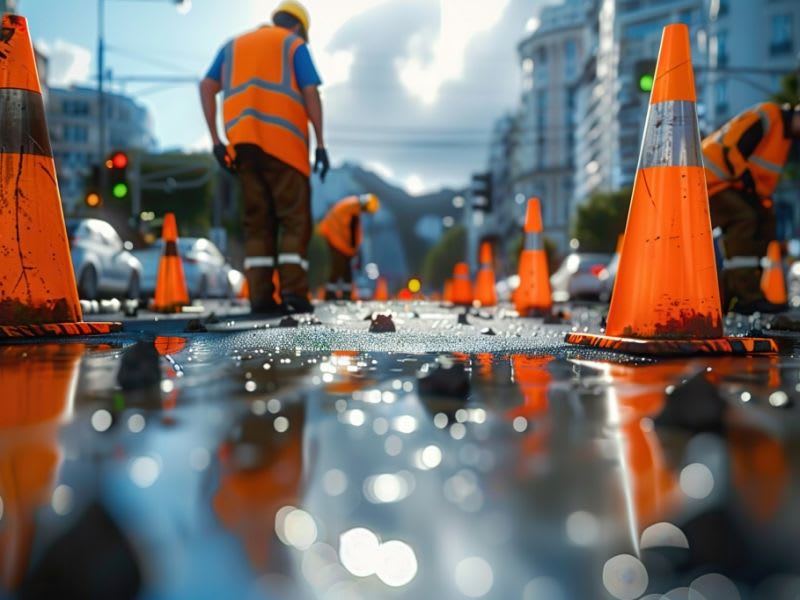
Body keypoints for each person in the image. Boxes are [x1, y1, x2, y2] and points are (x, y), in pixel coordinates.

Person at [199, 0, 329, 315]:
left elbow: (206, 86)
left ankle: (260, 297)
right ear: (298, 26)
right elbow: (310, 92)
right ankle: (294, 294)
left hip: (243, 147)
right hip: (285, 148)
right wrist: (321, 144)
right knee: (294, 221)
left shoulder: (233, 46)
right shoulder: (293, 43)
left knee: (258, 224)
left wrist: (217, 140)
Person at [702, 102, 800, 314]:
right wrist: (746, 180)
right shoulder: (769, 115)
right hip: (709, 182)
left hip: (733, 185)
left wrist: (764, 205)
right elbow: (732, 147)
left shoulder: (786, 136)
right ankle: (746, 296)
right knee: (745, 217)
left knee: (765, 223)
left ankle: (735, 295)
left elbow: (762, 178)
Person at [318, 194, 380, 300]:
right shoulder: (351, 208)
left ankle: (344, 294)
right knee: (338, 267)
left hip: (337, 239)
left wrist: (353, 248)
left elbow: (353, 232)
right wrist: (352, 249)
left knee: (346, 269)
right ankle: (330, 294)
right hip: (336, 240)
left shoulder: (352, 207)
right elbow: (350, 232)